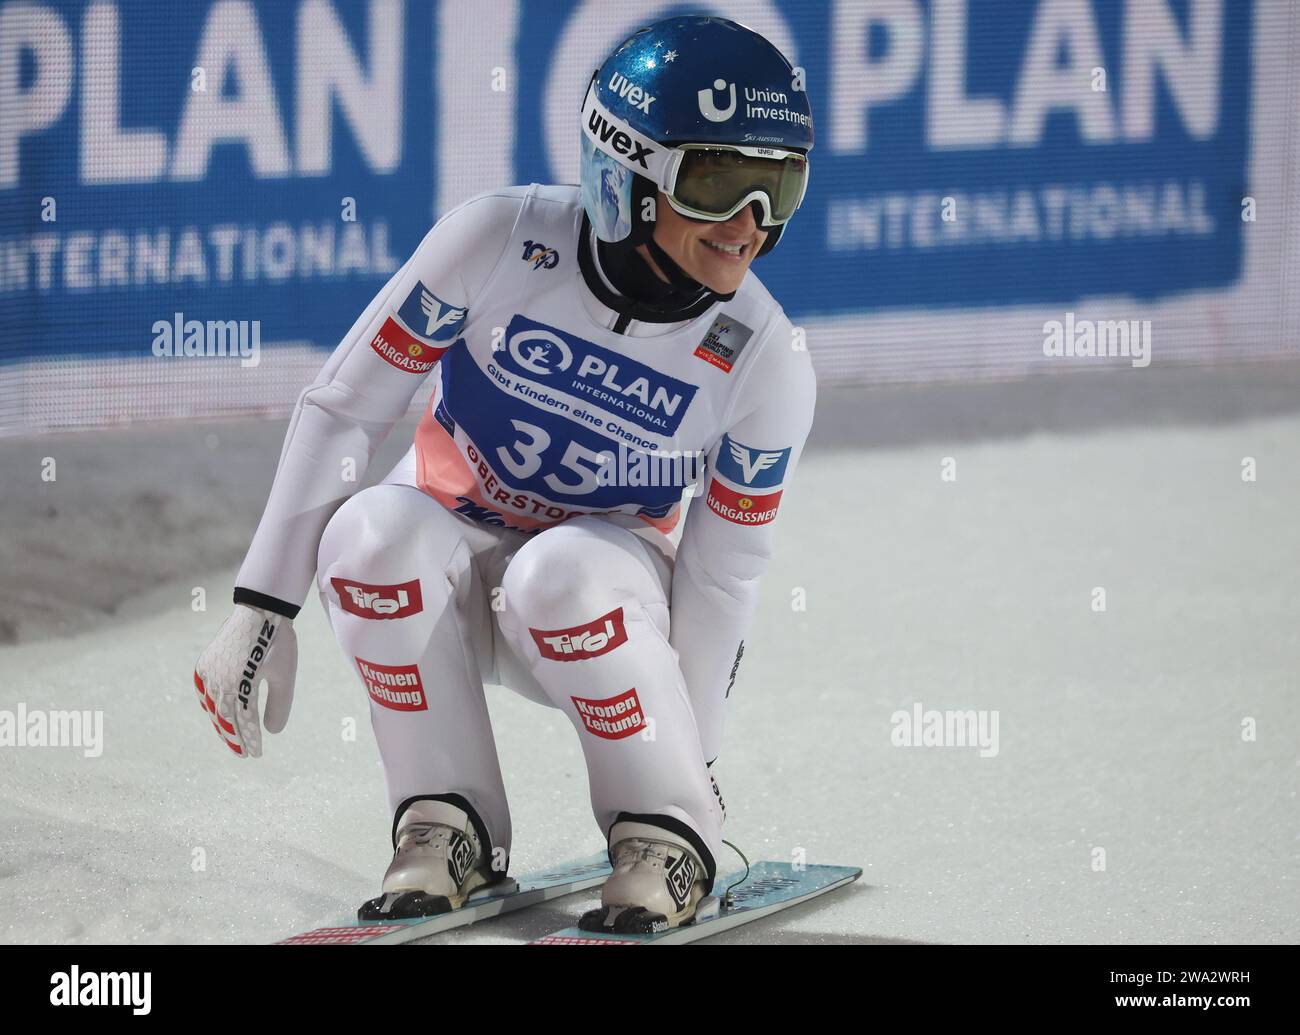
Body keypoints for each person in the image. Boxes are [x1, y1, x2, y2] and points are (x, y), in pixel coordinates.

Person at [192, 14, 816, 934]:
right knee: (365, 534)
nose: (751, 227)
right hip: (444, 579)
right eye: (721, 183)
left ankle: (664, 833)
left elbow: (723, 574)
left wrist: (692, 765)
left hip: (598, 613)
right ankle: (447, 819)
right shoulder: (496, 238)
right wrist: (262, 603)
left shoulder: (764, 358)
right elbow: (346, 406)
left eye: (779, 189)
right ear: (628, 173)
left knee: (558, 570)